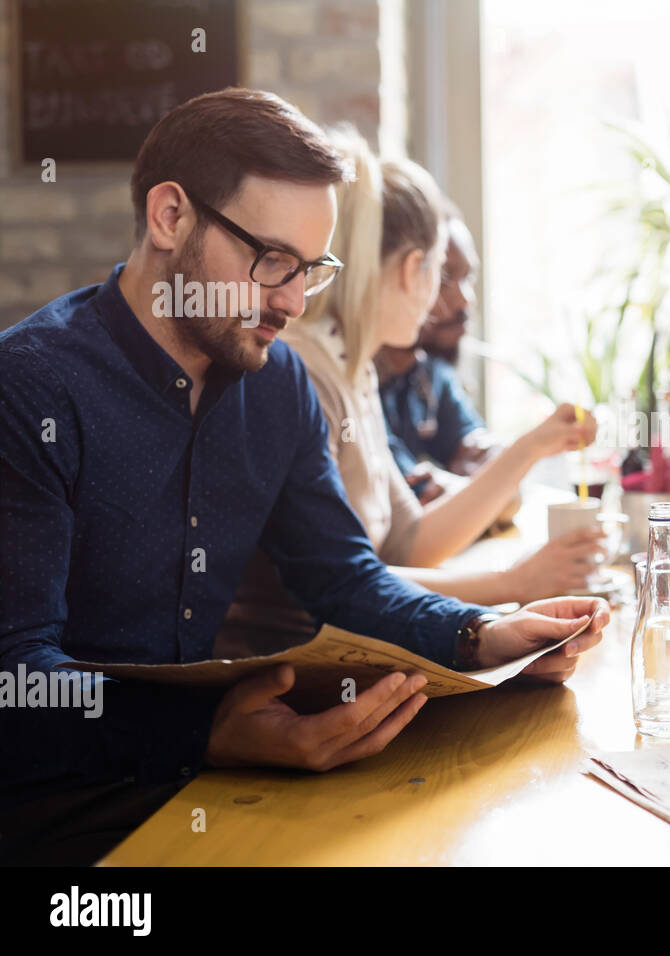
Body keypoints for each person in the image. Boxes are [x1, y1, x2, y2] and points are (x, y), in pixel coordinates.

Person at [0, 89, 609, 864]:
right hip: (51, 820)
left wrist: (480, 636)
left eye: (310, 269)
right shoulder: (28, 387)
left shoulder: (277, 382)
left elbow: (344, 578)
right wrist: (206, 732)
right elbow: (17, 680)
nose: (290, 301)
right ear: (170, 217)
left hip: (207, 795)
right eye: (271, 261)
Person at [224, 128, 601, 629]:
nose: (448, 299)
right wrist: (514, 584)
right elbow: (349, 585)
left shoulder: (351, 368)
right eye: (440, 272)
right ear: (412, 268)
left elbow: (411, 542)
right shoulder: (305, 373)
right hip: (300, 667)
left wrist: (531, 447)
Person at [376, 214, 500, 505]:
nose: (465, 300)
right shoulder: (355, 383)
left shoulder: (431, 375)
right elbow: (415, 505)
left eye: (468, 277)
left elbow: (497, 473)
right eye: (444, 279)